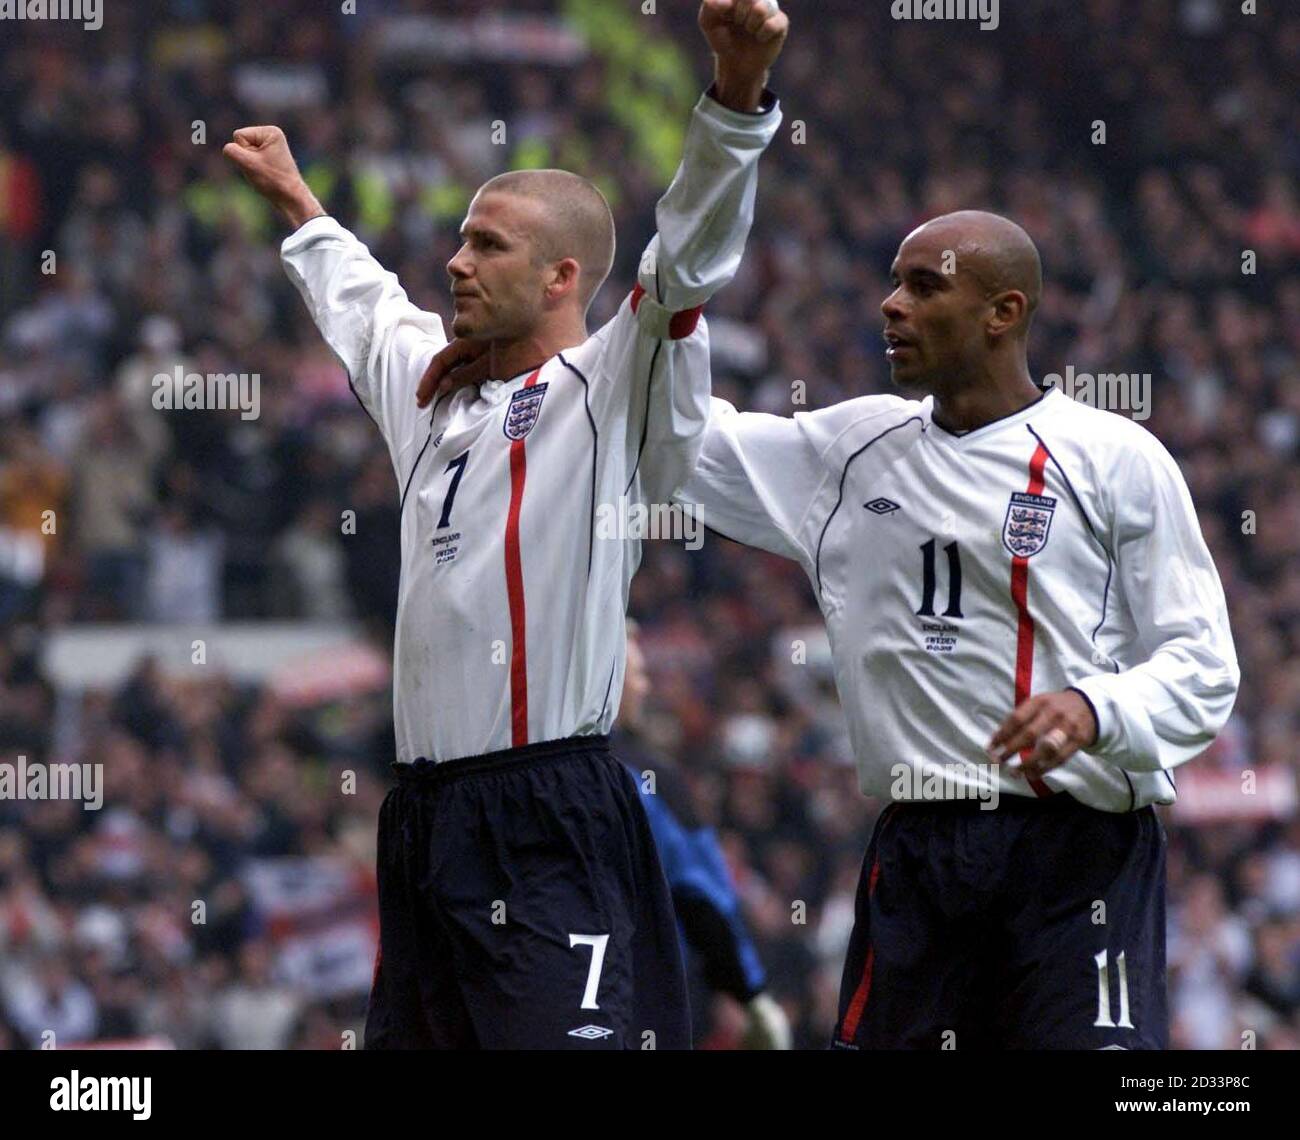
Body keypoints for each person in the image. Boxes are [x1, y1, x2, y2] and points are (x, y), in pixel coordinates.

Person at [223, 0, 788, 1049]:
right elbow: (368, 313)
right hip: (425, 824)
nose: (455, 263)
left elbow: (687, 259)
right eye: (459, 241)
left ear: (561, 276)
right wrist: (300, 204)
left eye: (487, 245)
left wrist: (737, 98)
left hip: (548, 816)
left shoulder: (609, 383)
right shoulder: (432, 399)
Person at [671, 209, 1241, 1048]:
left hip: (1076, 858)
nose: (891, 305)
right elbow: (678, 446)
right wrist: (667, 305)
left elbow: (1204, 667)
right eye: (894, 283)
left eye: (924, 286)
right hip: (920, 852)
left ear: (1003, 312)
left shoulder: (1114, 458)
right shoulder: (849, 449)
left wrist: (1093, 708)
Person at [614, 620, 790, 1049]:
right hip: (637, 1001)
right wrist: (750, 991)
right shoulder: (647, 777)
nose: (644, 688)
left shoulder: (521, 775)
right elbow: (704, 895)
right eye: (637, 675)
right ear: (605, 672)